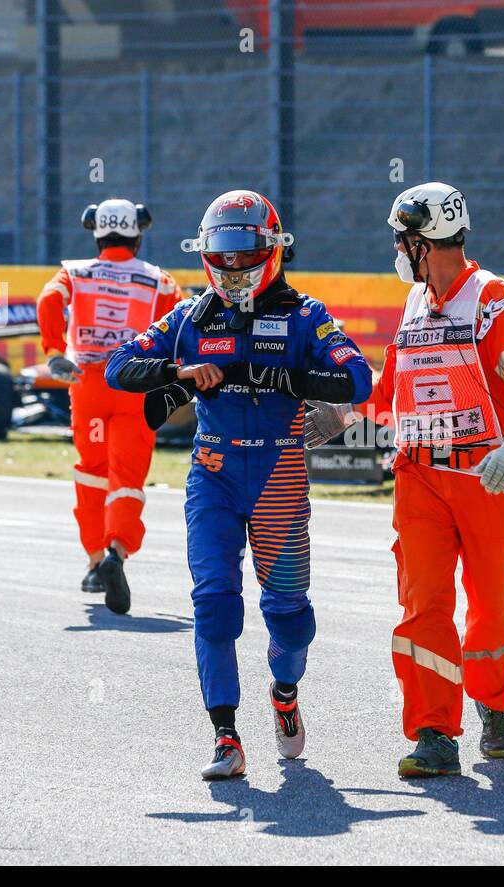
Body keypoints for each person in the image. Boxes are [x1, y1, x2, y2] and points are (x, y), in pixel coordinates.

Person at [105, 190, 372, 780]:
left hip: (279, 476)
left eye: (244, 252)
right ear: (205, 254)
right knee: (215, 607)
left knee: (290, 615)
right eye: (220, 255)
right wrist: (179, 371)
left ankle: (283, 692)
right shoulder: (191, 316)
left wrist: (277, 375)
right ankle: (225, 737)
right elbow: (117, 367)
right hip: (213, 477)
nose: (231, 266)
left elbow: (357, 380)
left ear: (272, 248)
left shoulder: (307, 316)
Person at [306, 182, 504, 777]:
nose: (396, 250)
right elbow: (393, 387)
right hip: (419, 476)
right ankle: (435, 732)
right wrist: (344, 414)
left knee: (489, 611)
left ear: (422, 242)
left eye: (400, 239)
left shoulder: (492, 299)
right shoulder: (415, 304)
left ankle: (494, 704)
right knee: (423, 605)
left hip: (485, 478)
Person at [37, 198, 181, 614]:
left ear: (96, 232)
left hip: (87, 385)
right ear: (138, 232)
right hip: (135, 385)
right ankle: (117, 551)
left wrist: (52, 350)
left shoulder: (74, 273)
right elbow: (180, 322)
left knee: (92, 472)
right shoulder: (160, 279)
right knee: (127, 476)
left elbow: (49, 300)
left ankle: (95, 560)